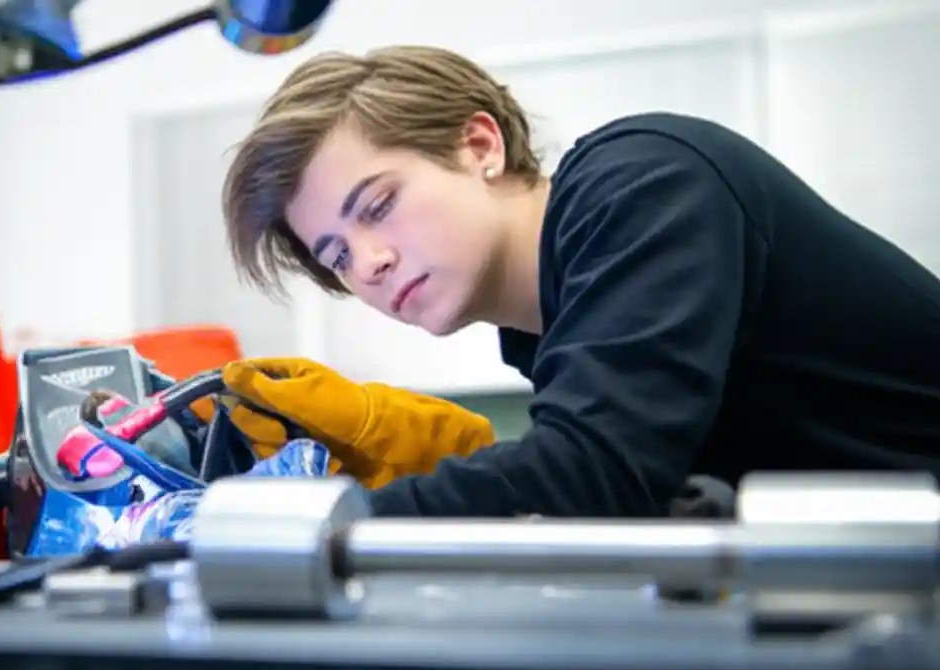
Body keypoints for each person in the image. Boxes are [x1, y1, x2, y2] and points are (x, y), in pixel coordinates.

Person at [219, 45, 940, 518]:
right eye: (337, 255)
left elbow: (599, 469)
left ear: (480, 146)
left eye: (378, 206)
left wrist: (317, 522)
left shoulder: (644, 184)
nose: (368, 264)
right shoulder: (544, 329)